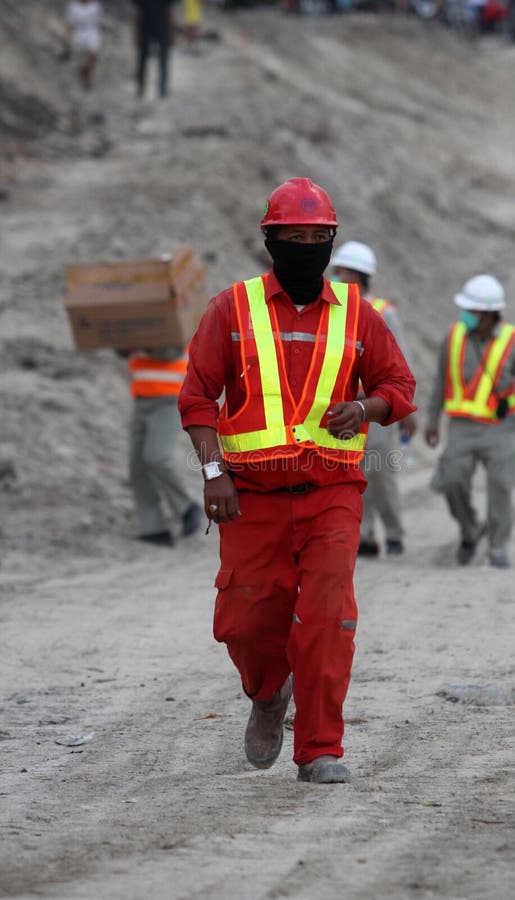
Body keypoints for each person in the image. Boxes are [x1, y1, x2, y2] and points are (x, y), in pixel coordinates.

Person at [179, 178, 416, 784]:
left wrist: (364, 410)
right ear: (270, 241)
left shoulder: (358, 315)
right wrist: (214, 472)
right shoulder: (231, 309)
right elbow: (198, 397)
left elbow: (399, 388)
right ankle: (266, 694)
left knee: (327, 618)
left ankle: (320, 749)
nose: (306, 246)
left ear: (332, 241)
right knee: (246, 622)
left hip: (331, 496)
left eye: (317, 237)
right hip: (250, 499)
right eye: (293, 237)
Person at [425, 274, 515, 569]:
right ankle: (470, 531)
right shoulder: (453, 336)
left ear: (488, 313)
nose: (465, 315)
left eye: (471, 311)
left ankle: (498, 547)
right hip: (460, 427)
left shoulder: (514, 341)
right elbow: (439, 382)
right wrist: (431, 421)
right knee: (451, 481)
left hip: (501, 429)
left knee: (501, 486)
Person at [331, 240, 417, 558]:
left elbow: (402, 361)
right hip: (347, 407)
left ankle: (394, 532)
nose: (337, 277)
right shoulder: (334, 310)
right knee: (354, 473)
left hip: (377, 407)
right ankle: (365, 537)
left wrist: (405, 408)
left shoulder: (384, 312)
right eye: (336, 271)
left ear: (361, 275)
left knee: (381, 472)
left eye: (343, 272)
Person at [121, 345, 201, 547]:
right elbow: (123, 349)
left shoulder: (170, 318)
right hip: (142, 399)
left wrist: (139, 339)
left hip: (171, 398)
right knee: (137, 468)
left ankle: (187, 508)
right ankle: (154, 528)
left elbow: (168, 351)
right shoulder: (135, 319)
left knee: (157, 456)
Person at [132, 0, 176, 99]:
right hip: (152, 26)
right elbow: (139, 13)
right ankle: (148, 88)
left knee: (155, 60)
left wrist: (171, 33)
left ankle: (157, 89)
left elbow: (168, 12)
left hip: (153, 26)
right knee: (147, 60)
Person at [63, 0, 103, 91]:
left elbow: (97, 22)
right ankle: (82, 73)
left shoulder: (95, 6)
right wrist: (66, 42)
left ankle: (86, 75)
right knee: (82, 57)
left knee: (93, 55)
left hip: (91, 31)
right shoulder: (73, 6)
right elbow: (69, 25)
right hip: (78, 32)